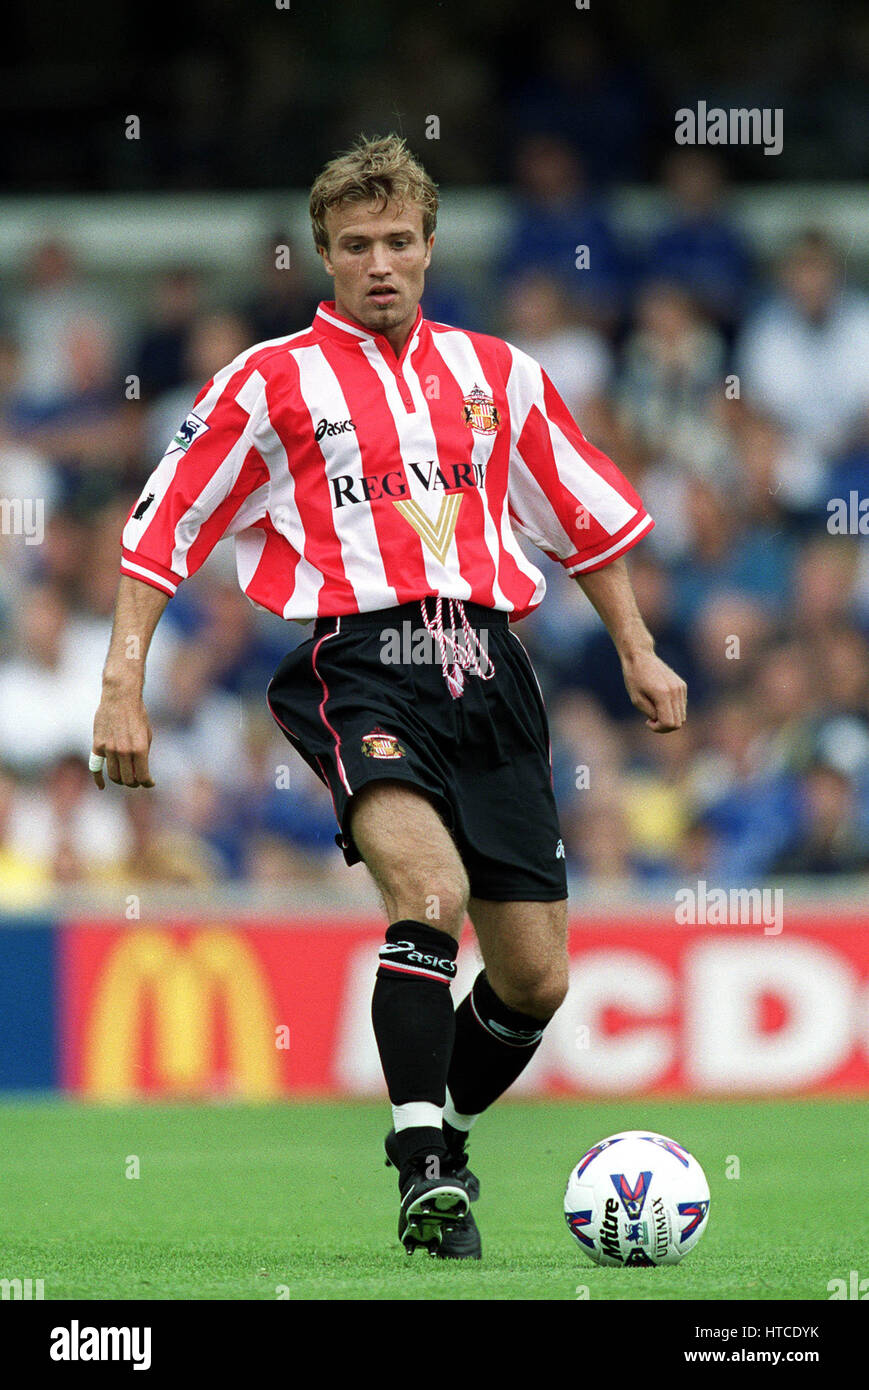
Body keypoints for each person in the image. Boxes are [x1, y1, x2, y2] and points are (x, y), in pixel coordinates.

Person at [90, 135, 686, 1259]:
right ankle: (421, 1168)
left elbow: (586, 518)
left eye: (398, 241)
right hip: (359, 662)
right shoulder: (267, 383)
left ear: (427, 247)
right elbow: (161, 525)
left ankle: (445, 1137)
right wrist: (123, 684)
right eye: (355, 244)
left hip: (492, 667)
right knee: (428, 888)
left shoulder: (498, 374)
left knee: (536, 977)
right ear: (322, 254)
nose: (379, 263)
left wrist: (638, 650)